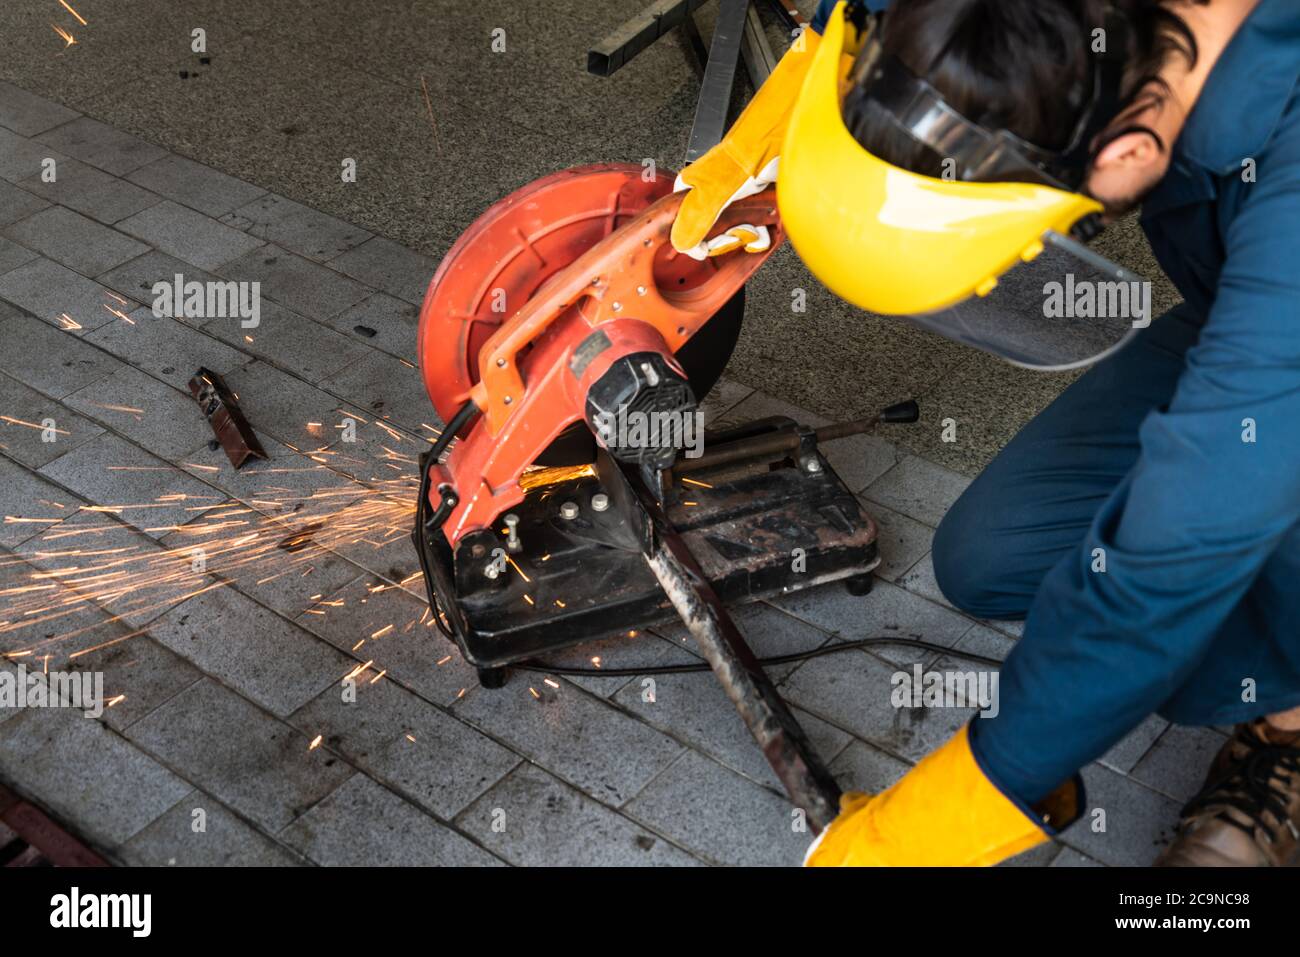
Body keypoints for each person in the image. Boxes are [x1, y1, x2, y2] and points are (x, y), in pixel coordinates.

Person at [671, 0, 1300, 866]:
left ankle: (1287, 734)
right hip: (1247, 304)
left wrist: (950, 812)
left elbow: (1171, 554)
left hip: (1280, 321)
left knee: (1197, 546)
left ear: (1122, 153)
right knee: (996, 554)